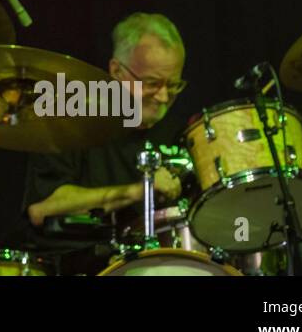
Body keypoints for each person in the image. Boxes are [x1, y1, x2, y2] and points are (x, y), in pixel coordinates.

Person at [23, 12, 188, 229]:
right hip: (79, 258)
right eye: (152, 83)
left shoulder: (182, 132)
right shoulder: (70, 121)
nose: (163, 97)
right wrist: (137, 191)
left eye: (173, 85)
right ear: (116, 71)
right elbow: (41, 209)